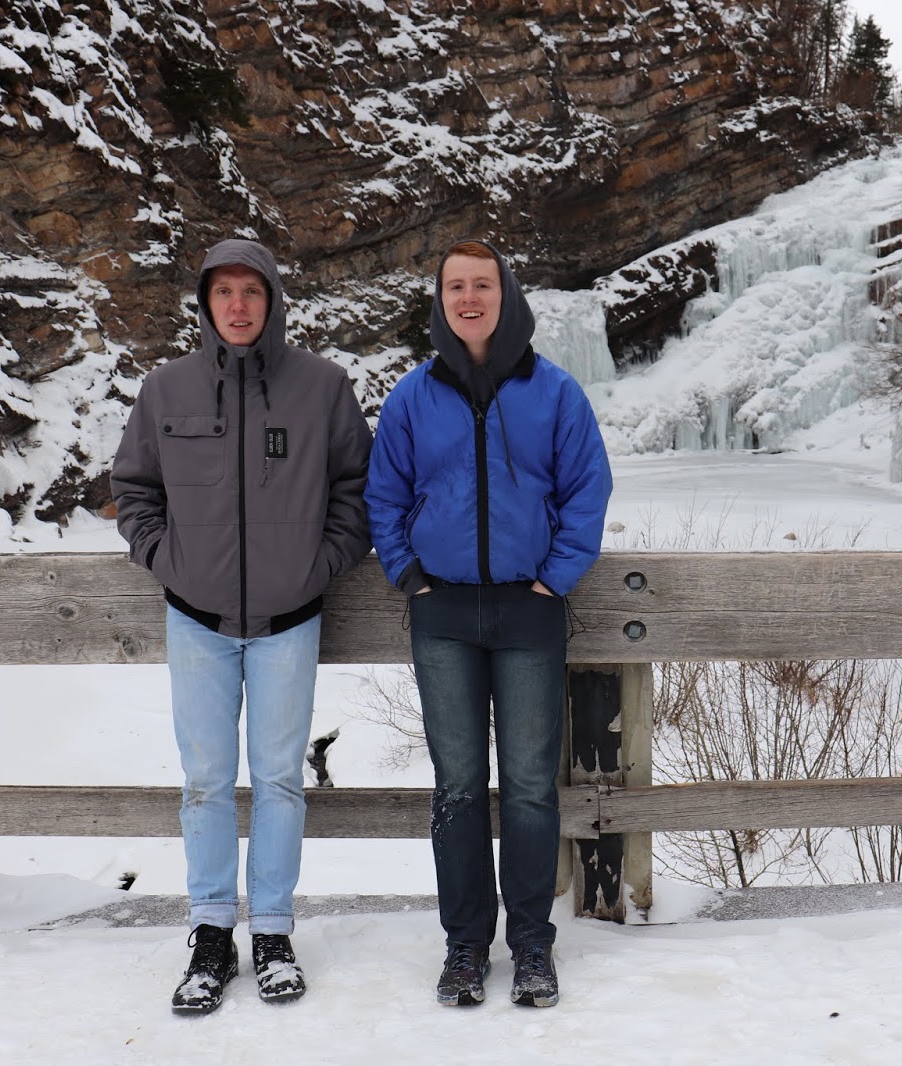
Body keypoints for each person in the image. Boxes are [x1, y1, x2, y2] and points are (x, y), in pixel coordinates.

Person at [111, 239, 373, 1014]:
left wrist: (319, 566)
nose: (237, 306)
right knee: (205, 782)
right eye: (223, 292)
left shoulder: (322, 388)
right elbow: (133, 487)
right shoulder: (166, 389)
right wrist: (169, 560)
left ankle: (275, 933)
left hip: (290, 622)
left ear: (273, 300)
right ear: (205, 303)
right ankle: (211, 932)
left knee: (282, 779)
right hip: (198, 622)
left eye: (250, 292)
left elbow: (357, 488)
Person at [365, 239, 612, 1008]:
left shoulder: (556, 392)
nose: (469, 298)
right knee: (460, 789)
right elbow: (384, 494)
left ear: (506, 294)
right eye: (455, 287)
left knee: (533, 787)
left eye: (483, 284)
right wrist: (409, 574)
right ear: (439, 301)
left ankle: (532, 946)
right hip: (442, 613)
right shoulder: (412, 396)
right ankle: (466, 945)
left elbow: (586, 491)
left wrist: (554, 581)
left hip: (527, 609)